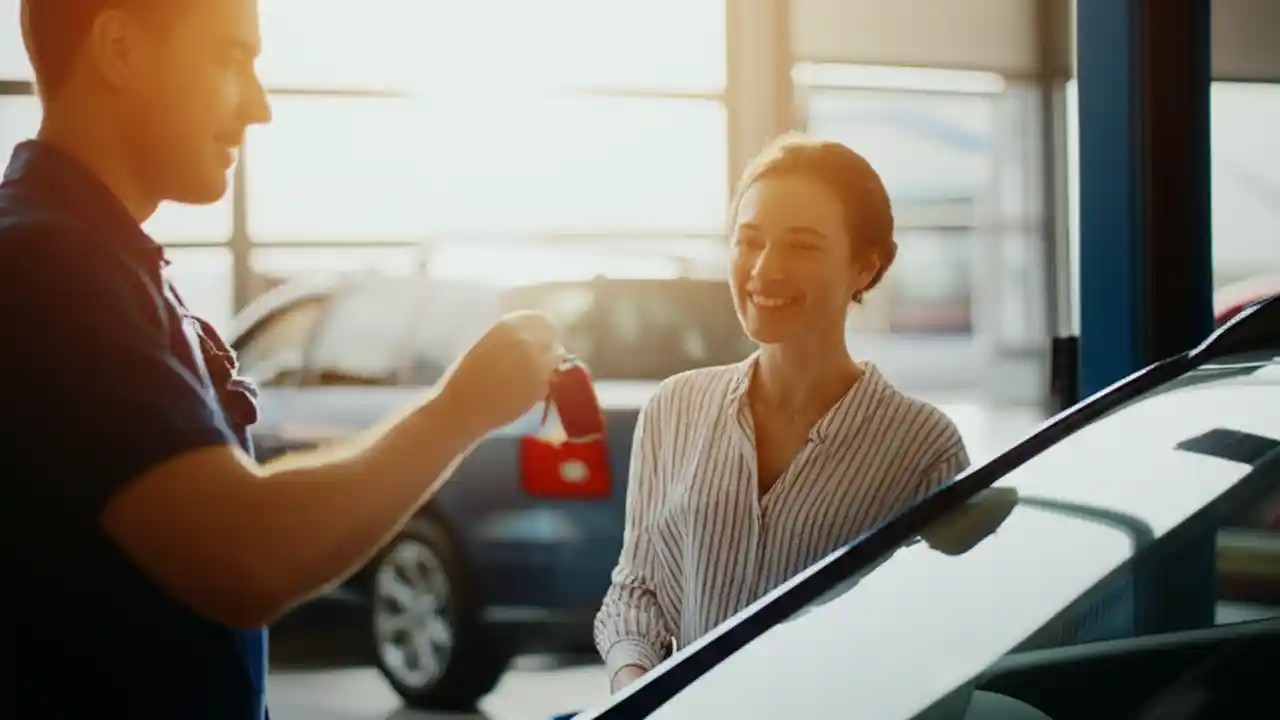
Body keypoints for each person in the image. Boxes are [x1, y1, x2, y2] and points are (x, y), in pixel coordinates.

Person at [1, 1, 564, 717]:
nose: (260, 108)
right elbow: (246, 555)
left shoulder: (110, 269)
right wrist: (462, 410)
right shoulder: (47, 267)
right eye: (232, 60)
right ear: (118, 48)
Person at [593, 133, 972, 693]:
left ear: (864, 267)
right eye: (749, 240)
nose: (764, 269)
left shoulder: (923, 447)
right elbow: (637, 588)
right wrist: (635, 686)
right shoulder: (675, 408)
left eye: (802, 245)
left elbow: (938, 640)